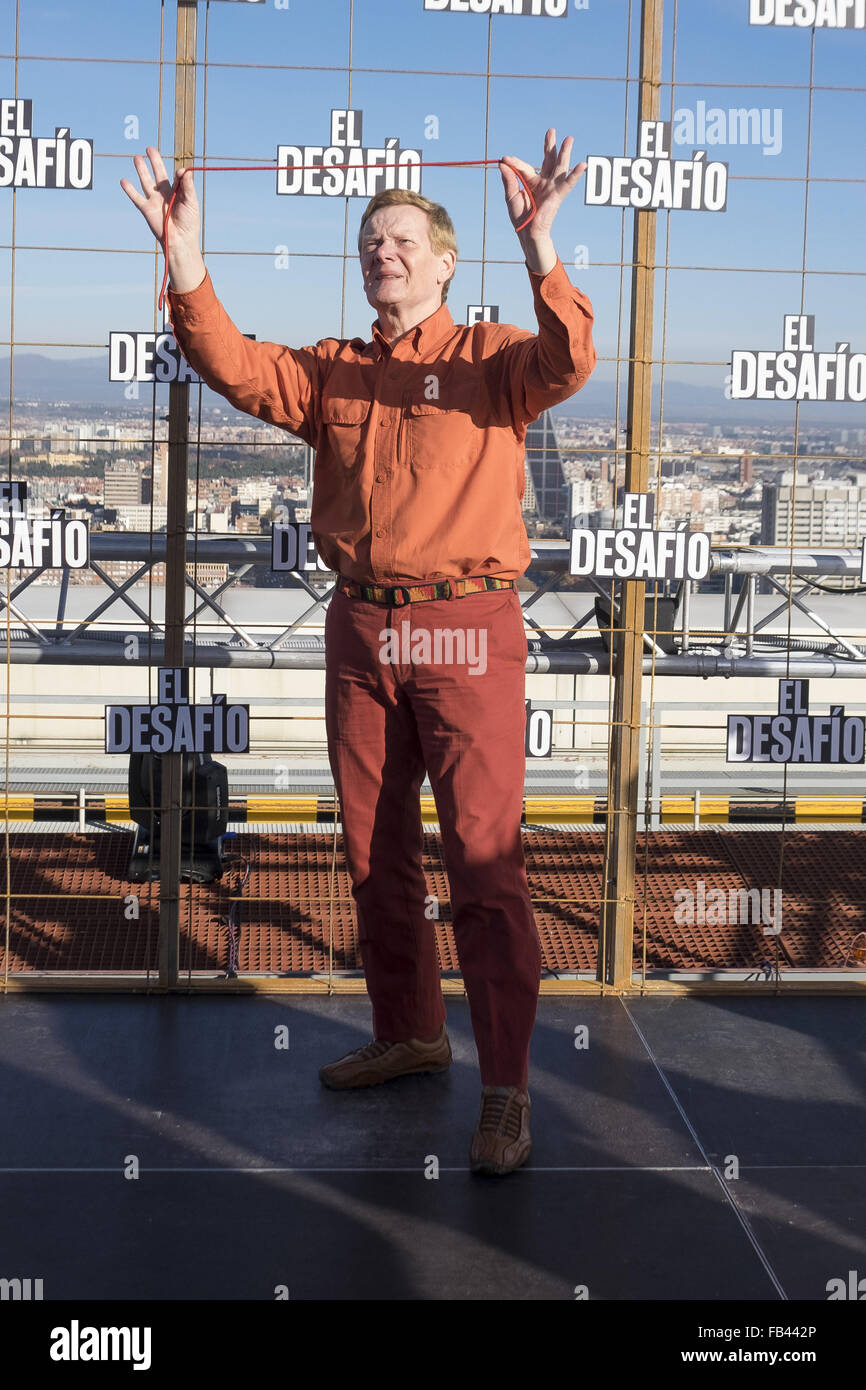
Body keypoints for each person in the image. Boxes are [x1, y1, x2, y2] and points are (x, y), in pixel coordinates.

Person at [122, 129, 596, 1176]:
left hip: (467, 627)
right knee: (374, 853)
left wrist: (542, 247)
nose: (380, 252)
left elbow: (570, 358)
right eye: (367, 242)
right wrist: (187, 261)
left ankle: (507, 1090)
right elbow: (237, 369)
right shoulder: (333, 369)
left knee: (482, 865)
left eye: (399, 240)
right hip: (361, 627)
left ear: (442, 263)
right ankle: (411, 1031)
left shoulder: (492, 361)